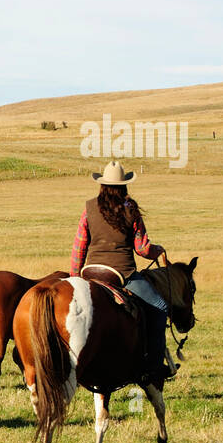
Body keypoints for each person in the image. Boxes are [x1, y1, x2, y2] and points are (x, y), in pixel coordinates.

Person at [69, 160, 174, 381]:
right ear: (124, 185)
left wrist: (74, 278)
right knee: (160, 306)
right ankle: (153, 366)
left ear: (102, 185)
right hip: (122, 275)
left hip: (91, 272)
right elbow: (142, 249)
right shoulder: (131, 209)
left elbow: (79, 247)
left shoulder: (89, 208)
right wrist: (158, 250)